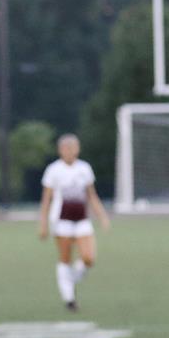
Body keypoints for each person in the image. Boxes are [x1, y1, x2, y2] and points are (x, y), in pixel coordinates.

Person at [37, 133, 109, 311]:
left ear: (78, 149)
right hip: (62, 220)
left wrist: (102, 216)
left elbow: (91, 195)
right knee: (65, 258)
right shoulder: (54, 170)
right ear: (60, 150)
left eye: (73, 147)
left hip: (82, 219)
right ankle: (69, 298)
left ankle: (71, 279)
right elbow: (46, 199)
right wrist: (43, 223)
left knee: (88, 258)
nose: (70, 151)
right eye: (66, 148)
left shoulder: (84, 168)